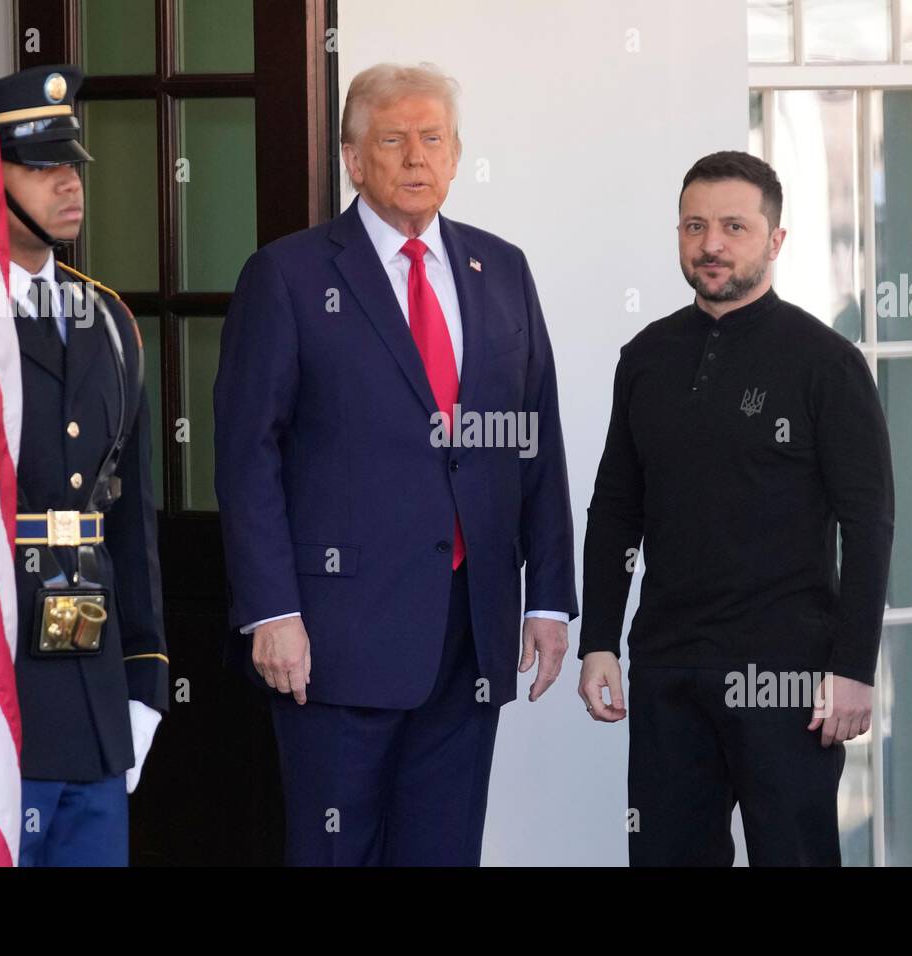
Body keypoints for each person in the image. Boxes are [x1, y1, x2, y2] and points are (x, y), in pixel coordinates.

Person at [214, 62, 578, 866]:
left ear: (456, 156)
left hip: (470, 636)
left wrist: (548, 598)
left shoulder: (502, 268)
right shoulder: (289, 275)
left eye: (433, 139)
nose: (416, 158)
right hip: (335, 641)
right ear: (353, 158)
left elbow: (535, 441)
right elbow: (248, 458)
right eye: (392, 139)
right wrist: (271, 611)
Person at [578, 151, 894, 866]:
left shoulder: (827, 364)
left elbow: (868, 526)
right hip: (667, 666)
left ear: (775, 241)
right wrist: (600, 637)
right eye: (694, 226)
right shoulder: (646, 356)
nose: (710, 244)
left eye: (733, 226)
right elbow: (615, 509)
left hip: (788, 675)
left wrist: (854, 668)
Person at [0, 65, 167, 867]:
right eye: (40, 166)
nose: (69, 184)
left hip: (94, 693)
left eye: (73, 165)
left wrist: (145, 676)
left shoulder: (110, 322)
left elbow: (128, 518)